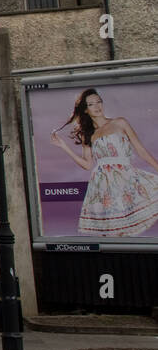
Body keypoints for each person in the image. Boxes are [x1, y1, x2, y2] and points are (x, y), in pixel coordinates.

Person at [50, 87, 158, 237]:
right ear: (85, 110)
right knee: (114, 233)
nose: (97, 106)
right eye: (91, 104)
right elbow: (88, 165)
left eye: (99, 102)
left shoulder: (120, 122)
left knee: (127, 229)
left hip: (125, 179)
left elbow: (141, 151)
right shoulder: (87, 134)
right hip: (103, 186)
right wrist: (64, 147)